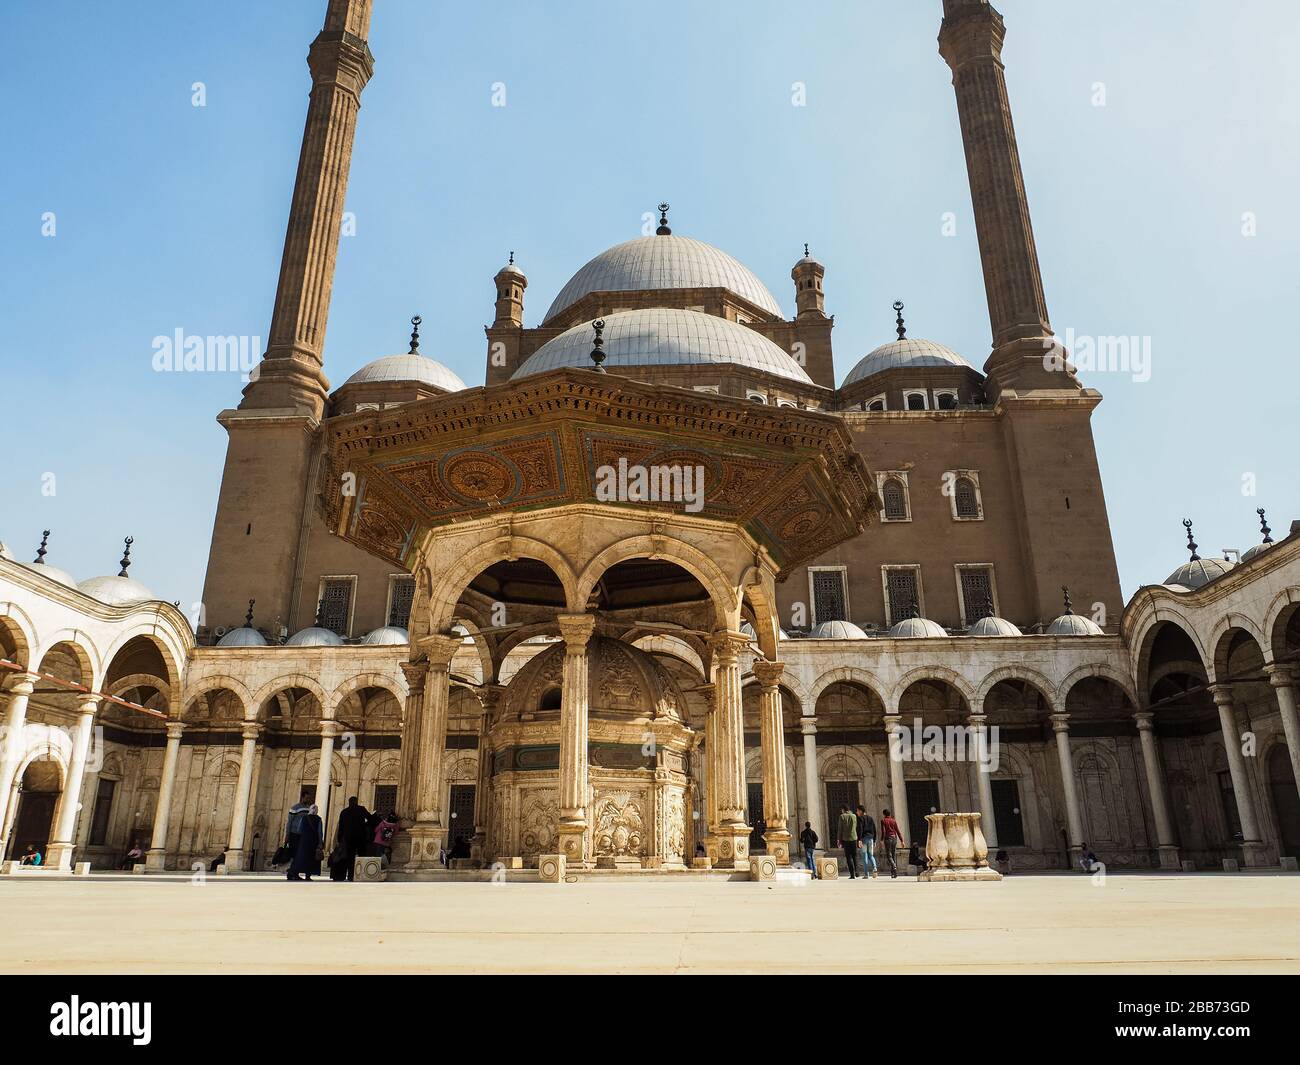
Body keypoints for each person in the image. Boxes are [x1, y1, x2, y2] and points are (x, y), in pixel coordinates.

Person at [335, 795, 372, 882]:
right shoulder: (361, 809)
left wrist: (339, 838)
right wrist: (365, 826)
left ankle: (351, 876)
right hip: (360, 837)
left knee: (350, 857)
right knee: (362, 855)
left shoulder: (344, 812)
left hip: (348, 838)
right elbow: (370, 818)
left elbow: (341, 826)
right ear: (356, 802)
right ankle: (362, 875)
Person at [287, 804, 323, 881]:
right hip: (314, 842)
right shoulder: (318, 819)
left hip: (304, 842)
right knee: (311, 858)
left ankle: (295, 873)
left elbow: (299, 830)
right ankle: (308, 876)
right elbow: (320, 832)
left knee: (301, 857)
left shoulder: (304, 818)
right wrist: (320, 842)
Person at [835, 804, 859, 879]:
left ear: (843, 809)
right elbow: (855, 826)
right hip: (854, 838)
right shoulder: (854, 816)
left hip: (846, 839)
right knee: (855, 856)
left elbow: (840, 829)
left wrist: (839, 839)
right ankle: (857, 871)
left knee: (848, 857)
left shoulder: (842, 816)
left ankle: (852, 874)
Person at [880, 808, 905, 878]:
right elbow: (898, 831)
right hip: (894, 838)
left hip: (887, 839)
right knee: (893, 855)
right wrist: (902, 841)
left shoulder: (883, 820)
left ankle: (894, 866)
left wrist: (881, 840)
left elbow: (883, 831)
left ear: (884, 814)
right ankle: (893, 873)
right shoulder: (893, 821)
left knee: (889, 855)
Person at [856, 805, 878, 880]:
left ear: (861, 811)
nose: (857, 812)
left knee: (864, 856)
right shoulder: (870, 818)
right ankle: (875, 868)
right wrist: (874, 840)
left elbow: (860, 829)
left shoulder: (860, 819)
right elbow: (874, 830)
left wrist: (859, 840)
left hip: (864, 839)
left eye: (857, 811)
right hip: (871, 839)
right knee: (871, 855)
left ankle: (866, 874)